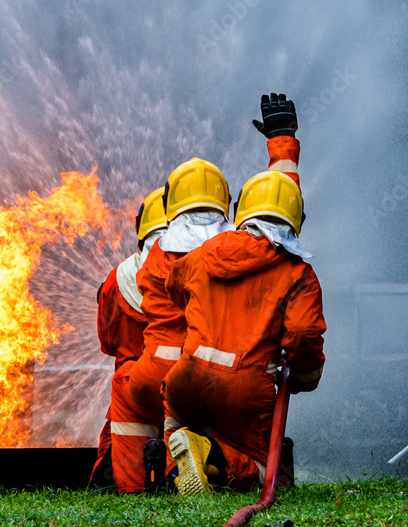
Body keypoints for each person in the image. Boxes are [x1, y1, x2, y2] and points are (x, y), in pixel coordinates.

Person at [112, 92, 303, 494]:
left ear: (171, 203)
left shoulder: (156, 259)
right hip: (227, 370)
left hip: (168, 373)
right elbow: (276, 217)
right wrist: (282, 142)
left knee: (133, 395)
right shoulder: (230, 246)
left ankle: (140, 483)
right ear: (228, 203)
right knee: (245, 446)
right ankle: (216, 462)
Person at [162, 167, 326, 495]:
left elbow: (174, 284)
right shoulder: (298, 273)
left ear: (242, 210)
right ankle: (217, 461)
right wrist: (305, 378)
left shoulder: (207, 249)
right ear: (296, 219)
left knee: (177, 424)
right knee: (262, 469)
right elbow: (305, 334)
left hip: (187, 376)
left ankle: (175, 474)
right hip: (244, 388)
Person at [89, 188, 167, 487]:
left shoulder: (115, 279)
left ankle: (121, 482)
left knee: (119, 450)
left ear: (141, 227)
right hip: (188, 385)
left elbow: (108, 343)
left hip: (131, 391)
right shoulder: (198, 270)